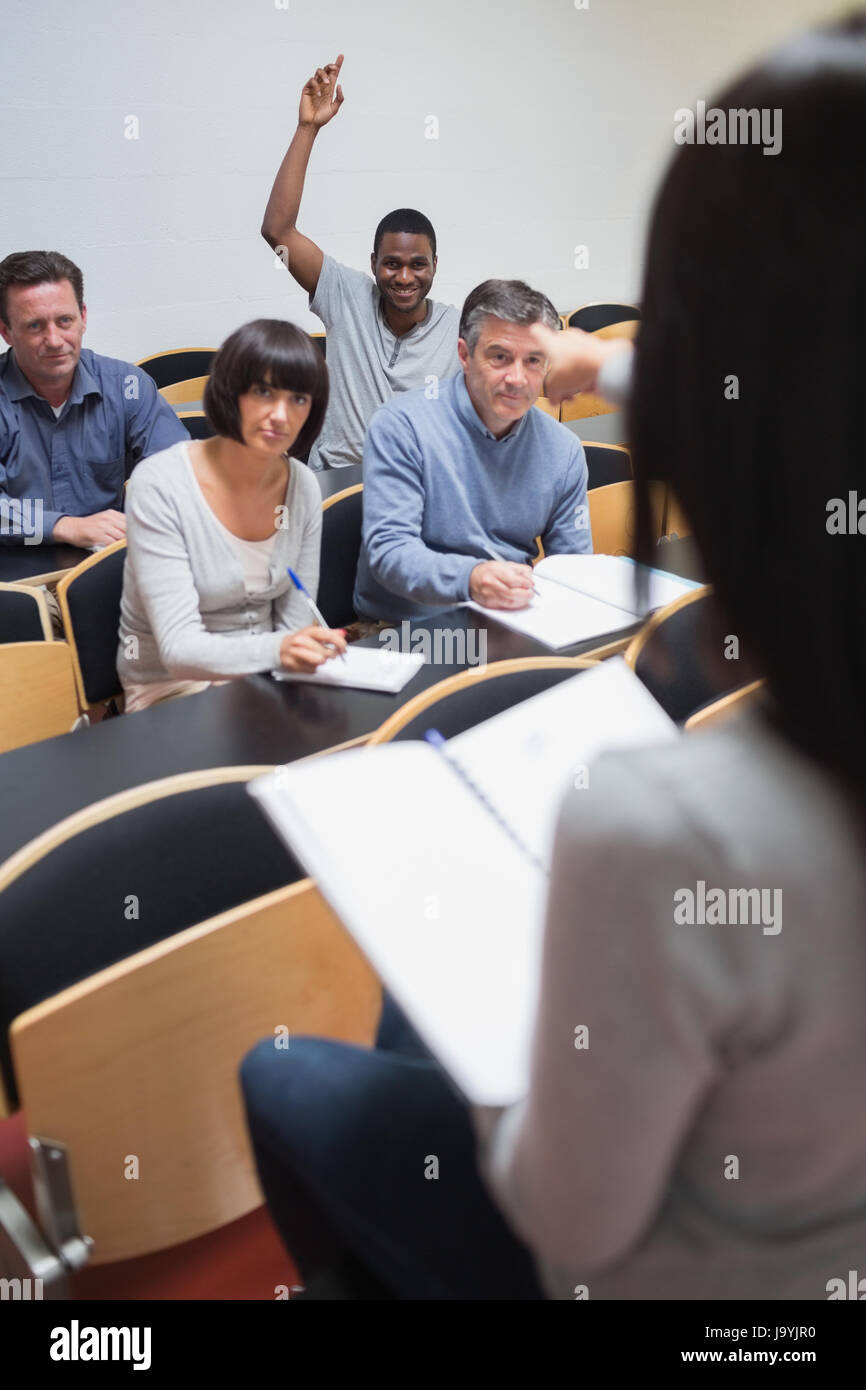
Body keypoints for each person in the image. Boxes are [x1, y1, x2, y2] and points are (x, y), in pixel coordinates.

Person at [241, 13, 866, 1299]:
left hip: (676, 1274)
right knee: (418, 1000)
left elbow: (568, 1217)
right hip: (442, 642)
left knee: (296, 1063)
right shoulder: (414, 418)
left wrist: (514, 1058)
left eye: (545, 363)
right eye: (506, 360)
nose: (525, 380)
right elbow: (401, 561)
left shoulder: (667, 823)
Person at [118, 320, 346, 713]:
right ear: (230, 394)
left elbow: (295, 622)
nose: (280, 414)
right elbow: (178, 650)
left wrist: (298, 648)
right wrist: (281, 649)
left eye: (298, 399)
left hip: (266, 678)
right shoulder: (159, 485)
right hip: (172, 692)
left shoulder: (302, 485)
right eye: (263, 392)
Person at [261, 53, 461, 471]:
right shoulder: (345, 295)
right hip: (337, 482)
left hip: (414, 489)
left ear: (435, 266)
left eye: (417, 265)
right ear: (373, 264)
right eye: (392, 264)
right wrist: (306, 129)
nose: (404, 277)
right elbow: (278, 232)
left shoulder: (455, 328)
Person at [352, 278, 591, 623]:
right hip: (408, 627)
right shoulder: (401, 426)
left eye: (534, 361)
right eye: (500, 357)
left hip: (512, 620)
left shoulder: (564, 450)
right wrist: (472, 578)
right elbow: (391, 552)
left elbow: (573, 568)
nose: (518, 379)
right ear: (464, 355)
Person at [0, 250, 188, 548]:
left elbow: (179, 472)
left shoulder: (127, 386)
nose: (54, 340)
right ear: (6, 331)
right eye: (35, 325)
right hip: (14, 573)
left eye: (64, 320)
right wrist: (64, 526)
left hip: (106, 561)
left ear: (83, 318)